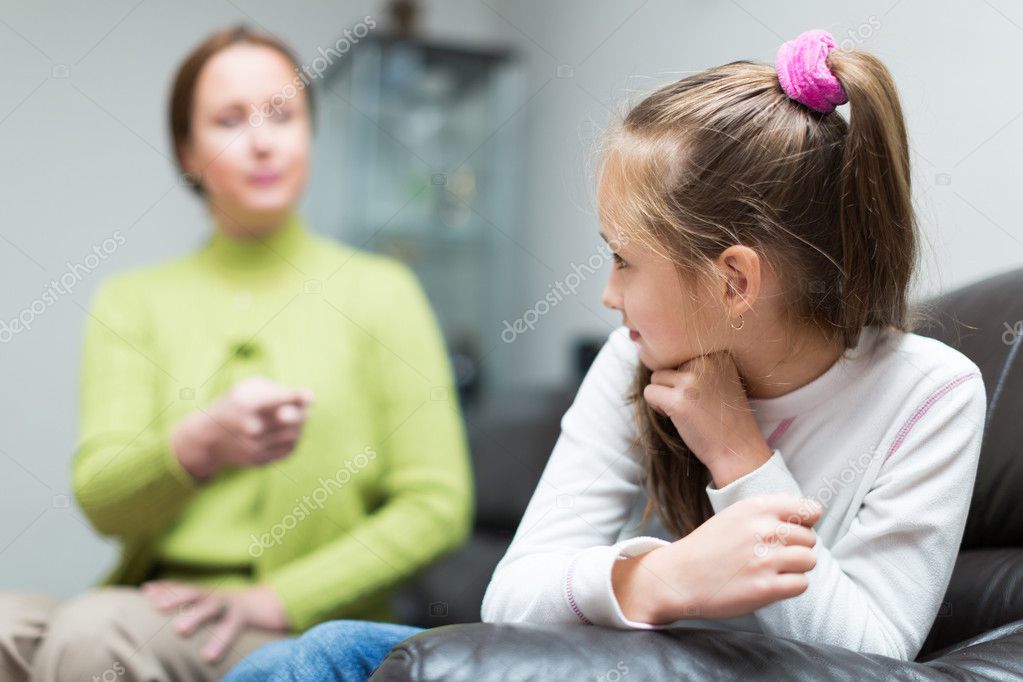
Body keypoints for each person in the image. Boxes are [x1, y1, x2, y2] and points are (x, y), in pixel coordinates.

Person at [226, 28, 987, 679]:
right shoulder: (632, 360)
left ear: (733, 280)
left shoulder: (932, 393)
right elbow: (509, 597)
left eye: (623, 260)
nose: (607, 296)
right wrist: (666, 579)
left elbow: (875, 658)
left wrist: (737, 457)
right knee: (321, 657)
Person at [0, 25, 473, 682]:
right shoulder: (133, 300)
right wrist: (197, 446)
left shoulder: (381, 293)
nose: (261, 140)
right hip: (156, 602)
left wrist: (276, 598)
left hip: (303, 620)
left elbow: (437, 504)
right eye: (229, 120)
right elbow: (104, 504)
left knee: (93, 632)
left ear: (310, 134)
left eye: (282, 115)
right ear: (187, 153)